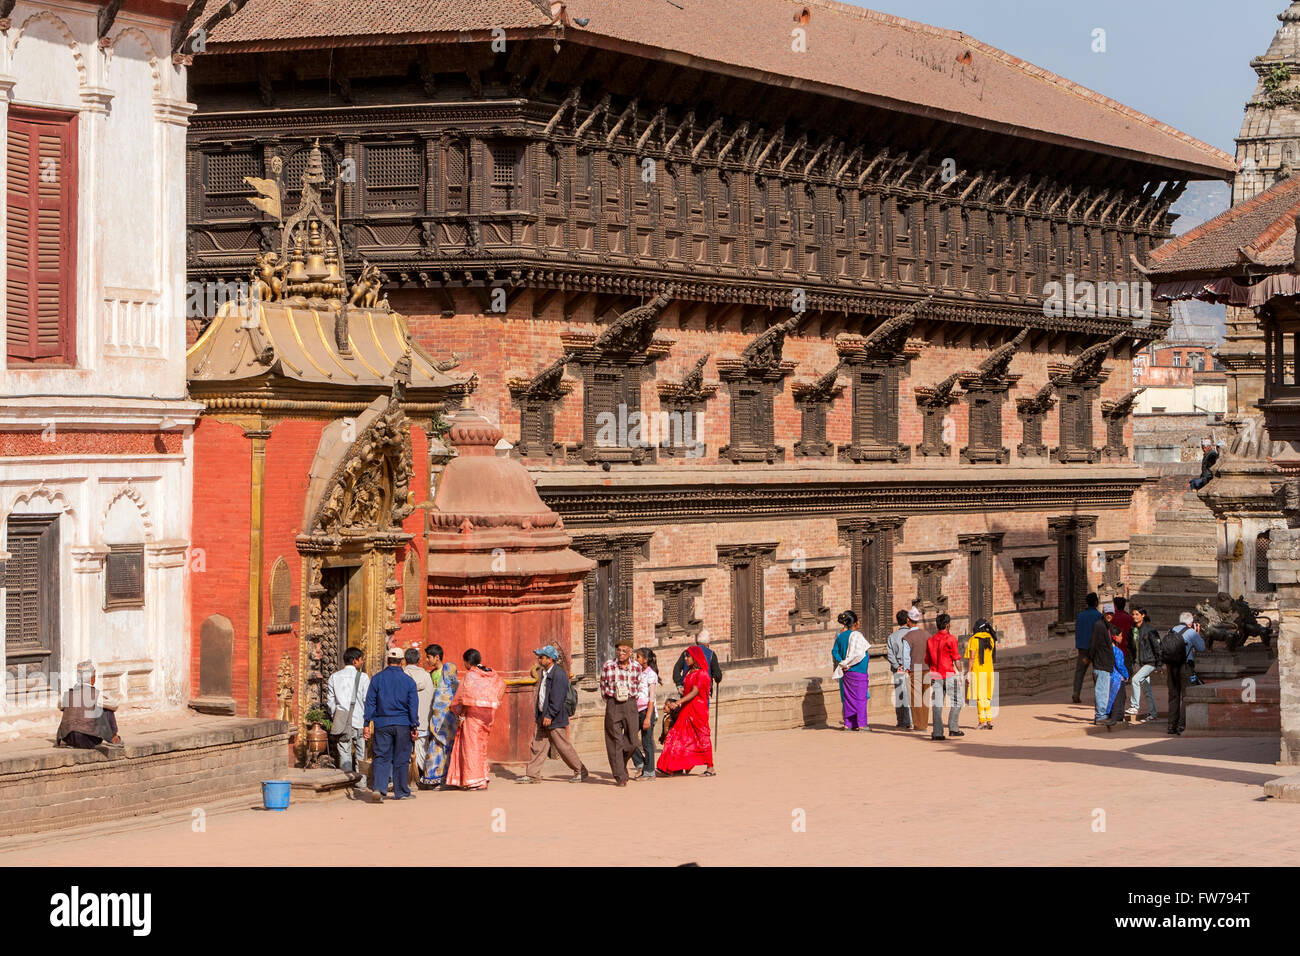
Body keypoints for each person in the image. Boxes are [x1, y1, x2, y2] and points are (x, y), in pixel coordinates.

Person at [519, 644, 588, 785]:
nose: (539, 659)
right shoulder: (545, 673)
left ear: (550, 659)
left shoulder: (559, 674)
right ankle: (533, 774)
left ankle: (580, 770)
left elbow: (557, 698)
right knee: (537, 745)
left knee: (563, 746)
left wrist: (549, 715)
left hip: (553, 717)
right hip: (542, 716)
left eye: (542, 657)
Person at [362, 647, 419, 803]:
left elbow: (370, 702)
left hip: (382, 723)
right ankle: (401, 791)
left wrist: (367, 723)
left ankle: (379, 789)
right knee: (402, 757)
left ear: (387, 661)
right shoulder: (409, 681)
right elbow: (413, 706)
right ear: (402, 662)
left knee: (381, 756)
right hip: (403, 724)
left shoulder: (377, 679)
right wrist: (414, 726)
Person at [446, 648, 507, 789]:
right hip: (487, 716)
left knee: (471, 748)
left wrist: (461, 715)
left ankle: (474, 780)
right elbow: (503, 684)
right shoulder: (490, 673)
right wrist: (496, 702)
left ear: (467, 662)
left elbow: (466, 699)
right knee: (481, 747)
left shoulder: (471, 676)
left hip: (473, 716)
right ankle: (483, 777)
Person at [657, 646, 715, 776]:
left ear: (695, 658)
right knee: (676, 735)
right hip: (686, 708)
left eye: (688, 656)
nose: (686, 658)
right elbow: (687, 690)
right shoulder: (689, 672)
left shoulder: (702, 674)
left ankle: (710, 767)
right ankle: (670, 766)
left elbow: (695, 691)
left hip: (698, 710)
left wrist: (678, 702)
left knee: (702, 737)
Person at [326, 647, 370, 794]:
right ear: (355, 660)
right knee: (360, 751)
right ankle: (361, 782)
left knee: (344, 750)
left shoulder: (334, 677)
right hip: (359, 719)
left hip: (341, 719)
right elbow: (366, 699)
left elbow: (330, 702)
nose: (362, 662)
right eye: (361, 659)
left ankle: (346, 781)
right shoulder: (363, 677)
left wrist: (337, 715)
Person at [600, 638, 644, 787]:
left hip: (630, 704)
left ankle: (621, 761)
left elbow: (638, 685)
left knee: (633, 741)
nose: (621, 653)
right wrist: (610, 699)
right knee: (615, 741)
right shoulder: (608, 666)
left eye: (624, 650)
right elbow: (603, 684)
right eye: (618, 650)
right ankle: (620, 775)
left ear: (630, 652)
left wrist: (631, 698)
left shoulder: (637, 667)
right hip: (613, 704)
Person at [419, 644, 459, 788]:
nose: (427, 660)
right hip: (434, 718)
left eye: (429, 657)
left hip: (446, 719)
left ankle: (443, 778)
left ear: (437, 657)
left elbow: (448, 696)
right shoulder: (429, 675)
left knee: (443, 749)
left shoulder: (446, 673)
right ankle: (435, 778)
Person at [55, 661, 120, 749]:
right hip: (88, 740)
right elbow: (115, 704)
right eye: (94, 676)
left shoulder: (67, 694)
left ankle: (71, 737)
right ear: (92, 678)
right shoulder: (97, 695)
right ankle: (114, 738)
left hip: (68, 739)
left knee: (71, 707)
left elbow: (60, 706)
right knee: (106, 709)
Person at [1166, 612, 1207, 736]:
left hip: (1170, 667)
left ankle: (1171, 725)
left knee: (1173, 696)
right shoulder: (1191, 632)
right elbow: (1202, 648)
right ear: (1190, 622)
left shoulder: (1171, 630)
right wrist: (1197, 634)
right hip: (1185, 667)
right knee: (1186, 695)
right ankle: (1181, 725)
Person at [925, 613, 964, 739]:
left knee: (937, 704)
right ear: (948, 625)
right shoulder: (951, 639)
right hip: (948, 674)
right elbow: (956, 659)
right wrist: (961, 673)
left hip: (935, 675)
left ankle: (937, 733)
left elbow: (927, 660)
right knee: (958, 701)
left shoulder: (930, 640)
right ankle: (953, 728)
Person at [831, 609, 871, 731]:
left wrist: (843, 663)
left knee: (848, 698)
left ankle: (848, 723)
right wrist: (851, 664)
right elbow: (861, 654)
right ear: (855, 622)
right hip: (859, 670)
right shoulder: (857, 636)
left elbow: (834, 651)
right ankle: (861, 724)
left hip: (846, 671)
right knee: (861, 698)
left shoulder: (840, 637)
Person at [1125, 606, 1160, 723]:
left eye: (1137, 614)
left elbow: (1157, 647)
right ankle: (1153, 713)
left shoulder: (1150, 630)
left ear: (1143, 615)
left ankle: (1134, 707)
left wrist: (1159, 665)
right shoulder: (1132, 630)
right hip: (1139, 662)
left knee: (1135, 680)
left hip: (1150, 662)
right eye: (1133, 614)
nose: (1134, 616)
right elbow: (1130, 647)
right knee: (1147, 689)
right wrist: (1131, 660)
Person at [404, 647, 435, 778]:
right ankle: (424, 776)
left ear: (405, 660)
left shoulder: (403, 676)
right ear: (418, 660)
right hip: (423, 720)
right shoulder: (426, 676)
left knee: (405, 751)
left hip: (406, 721)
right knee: (423, 749)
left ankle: (409, 777)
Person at [631, 647, 660, 780]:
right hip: (636, 711)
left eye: (638, 657)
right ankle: (640, 763)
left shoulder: (651, 674)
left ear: (645, 660)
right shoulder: (638, 672)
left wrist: (648, 717)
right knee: (628, 738)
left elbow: (651, 698)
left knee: (646, 741)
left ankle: (649, 772)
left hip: (646, 711)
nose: (636, 659)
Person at [1072, 592, 1104, 704]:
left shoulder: (1080, 616)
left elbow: (1078, 632)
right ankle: (1098, 696)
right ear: (1096, 602)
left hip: (1083, 648)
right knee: (1097, 671)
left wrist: (1079, 645)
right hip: (1096, 649)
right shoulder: (1099, 616)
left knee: (1080, 672)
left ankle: (1076, 692)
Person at [965, 619, 997, 730]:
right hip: (989, 671)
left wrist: (968, 672)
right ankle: (989, 720)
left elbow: (972, 658)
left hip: (978, 671)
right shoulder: (991, 639)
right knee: (987, 697)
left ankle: (982, 721)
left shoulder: (974, 640)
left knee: (980, 698)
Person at [903, 607, 930, 733]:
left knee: (915, 697)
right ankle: (924, 723)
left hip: (915, 669)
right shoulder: (927, 635)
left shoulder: (908, 637)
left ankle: (918, 725)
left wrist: (906, 669)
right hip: (926, 667)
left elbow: (906, 656)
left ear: (908, 620)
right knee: (925, 697)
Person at [885, 609, 913, 729]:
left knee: (900, 695)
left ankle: (901, 721)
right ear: (908, 620)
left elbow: (890, 654)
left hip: (898, 669)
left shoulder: (892, 637)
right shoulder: (913, 634)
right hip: (910, 669)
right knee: (911, 696)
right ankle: (911, 720)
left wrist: (897, 666)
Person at [1090, 603, 1117, 725]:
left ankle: (1101, 714)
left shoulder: (1107, 627)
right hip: (1101, 663)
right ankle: (1100, 716)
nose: (1110, 616)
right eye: (1108, 613)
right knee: (1102, 691)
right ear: (1104, 613)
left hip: (1104, 663)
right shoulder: (1099, 626)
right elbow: (1093, 645)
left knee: (1103, 691)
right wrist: (1094, 659)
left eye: (1111, 614)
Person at [1105, 626, 1130, 722]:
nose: (1122, 638)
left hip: (1107, 677)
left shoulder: (1105, 650)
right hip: (1117, 679)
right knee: (1119, 698)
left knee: (1109, 698)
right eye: (1120, 636)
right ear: (1115, 637)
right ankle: (1117, 717)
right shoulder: (1118, 651)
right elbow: (1120, 665)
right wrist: (1126, 675)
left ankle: (1109, 715)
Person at [1110, 596, 1135, 666]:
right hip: (1126, 651)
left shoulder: (1111, 618)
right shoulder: (1129, 618)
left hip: (1113, 650)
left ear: (1115, 606)